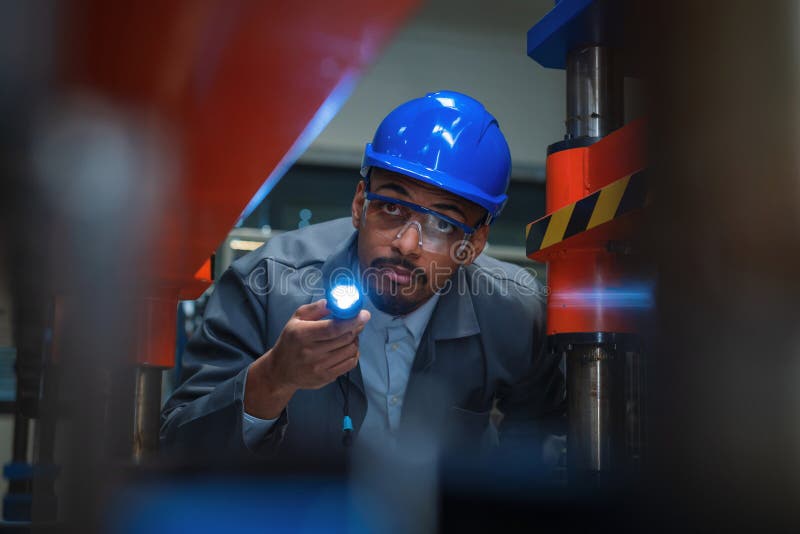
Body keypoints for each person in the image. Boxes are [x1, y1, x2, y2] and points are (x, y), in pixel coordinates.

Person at [160, 90, 564, 460]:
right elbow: (177, 445)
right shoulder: (264, 284)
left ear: (474, 244)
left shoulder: (511, 311)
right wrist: (274, 378)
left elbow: (543, 443)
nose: (407, 244)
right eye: (392, 208)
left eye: (442, 223)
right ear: (360, 205)